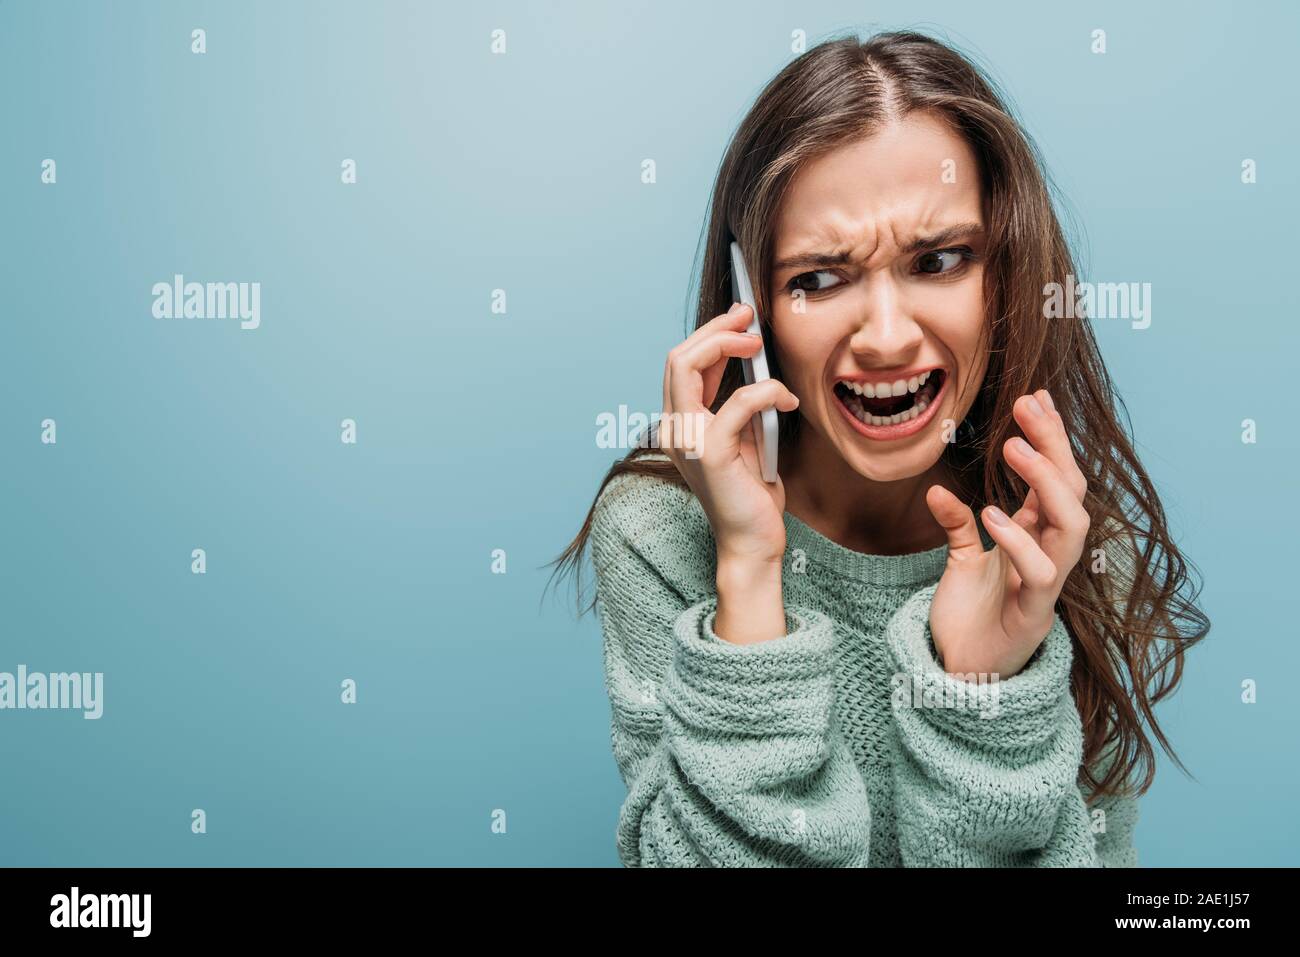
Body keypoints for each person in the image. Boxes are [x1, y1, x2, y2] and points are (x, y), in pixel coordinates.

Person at [553, 30, 1209, 867]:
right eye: (818, 279)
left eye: (939, 260)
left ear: (1003, 280)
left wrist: (984, 692)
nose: (888, 338)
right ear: (753, 313)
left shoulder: (1065, 552)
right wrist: (748, 571)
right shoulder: (661, 531)